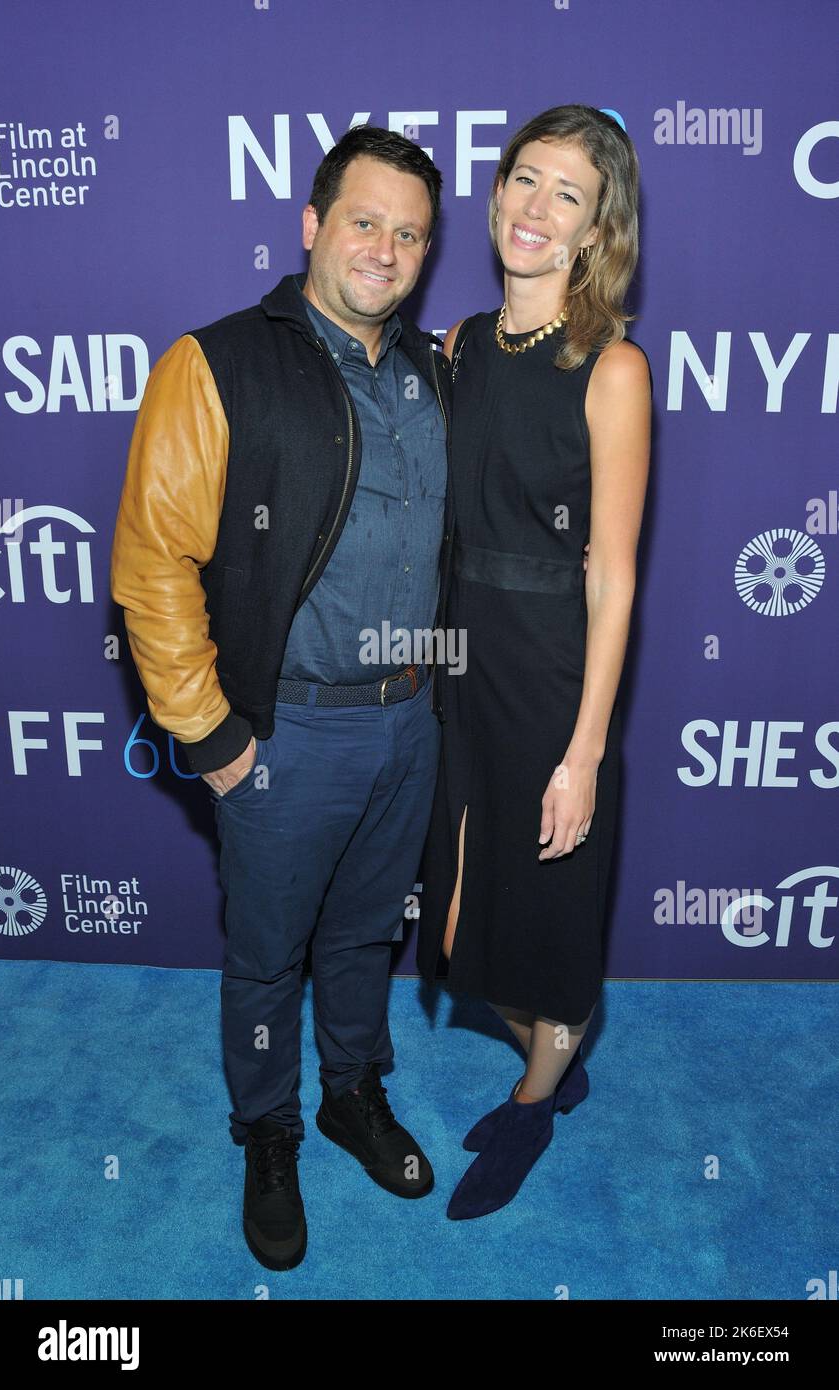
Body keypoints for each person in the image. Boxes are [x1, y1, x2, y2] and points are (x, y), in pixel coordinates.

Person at [110, 126, 454, 1271]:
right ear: (310, 225)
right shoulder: (209, 364)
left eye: (408, 233)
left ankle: (352, 1093)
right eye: (363, 220)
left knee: (364, 936)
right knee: (266, 957)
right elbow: (153, 559)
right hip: (285, 732)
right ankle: (266, 1132)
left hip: (408, 722)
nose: (384, 248)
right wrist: (210, 735)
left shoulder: (428, 373)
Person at [416, 105, 653, 1220]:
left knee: (542, 924)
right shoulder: (460, 344)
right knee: (463, 928)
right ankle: (555, 1053)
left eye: (568, 192)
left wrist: (586, 750)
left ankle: (536, 1092)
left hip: (554, 673)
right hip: (462, 666)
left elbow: (611, 572)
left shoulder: (610, 367)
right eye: (524, 178)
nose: (535, 205)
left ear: (595, 228)